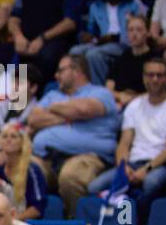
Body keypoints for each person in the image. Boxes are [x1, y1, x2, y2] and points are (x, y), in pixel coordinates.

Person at [86, 57, 166, 225]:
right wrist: (123, 166)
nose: (155, 79)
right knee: (94, 187)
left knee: (150, 183)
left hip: (159, 164)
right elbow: (124, 143)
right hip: (132, 163)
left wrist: (147, 169)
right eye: (151, 75)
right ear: (144, 78)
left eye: (160, 75)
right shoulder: (134, 106)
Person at [29, 54, 122, 215]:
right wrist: (69, 114)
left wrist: (54, 109)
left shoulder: (100, 93)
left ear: (76, 71)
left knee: (70, 176)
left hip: (87, 157)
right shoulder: (53, 95)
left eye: (61, 70)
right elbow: (34, 119)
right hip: (47, 158)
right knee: (23, 167)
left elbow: (83, 109)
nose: (56, 76)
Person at [0, 122, 49, 220]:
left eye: (14, 137)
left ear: (22, 142)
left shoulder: (32, 170)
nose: (8, 140)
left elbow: (37, 208)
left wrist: (13, 221)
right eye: (4, 136)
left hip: (24, 223)